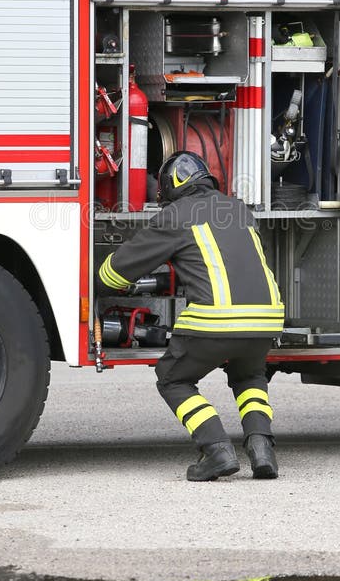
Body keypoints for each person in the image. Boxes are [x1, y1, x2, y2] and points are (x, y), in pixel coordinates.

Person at [97, 151, 284, 481]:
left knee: (173, 377)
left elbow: (116, 274)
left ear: (170, 188)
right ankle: (262, 447)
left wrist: (92, 282)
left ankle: (216, 449)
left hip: (216, 322)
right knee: (250, 376)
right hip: (266, 320)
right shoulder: (239, 210)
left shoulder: (175, 215)